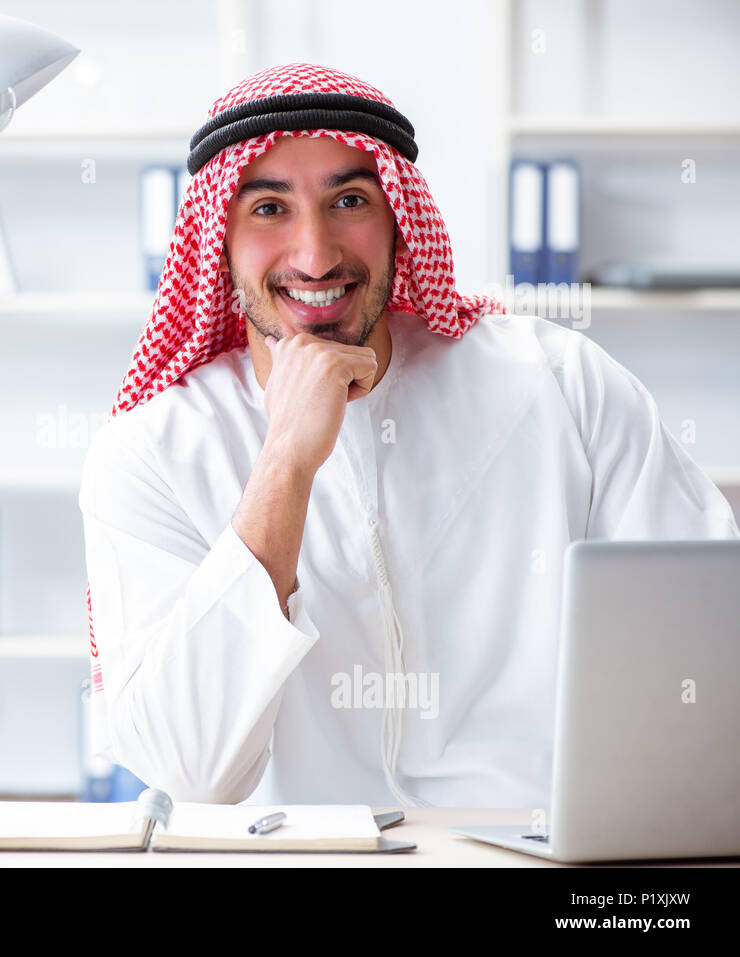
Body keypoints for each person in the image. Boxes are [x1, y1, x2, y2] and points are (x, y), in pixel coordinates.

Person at [77, 63, 739, 808]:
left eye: (349, 199)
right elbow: (190, 766)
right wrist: (287, 461)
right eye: (268, 208)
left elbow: (711, 652)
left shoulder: (561, 383)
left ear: (398, 216)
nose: (315, 253)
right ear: (217, 237)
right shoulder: (150, 453)